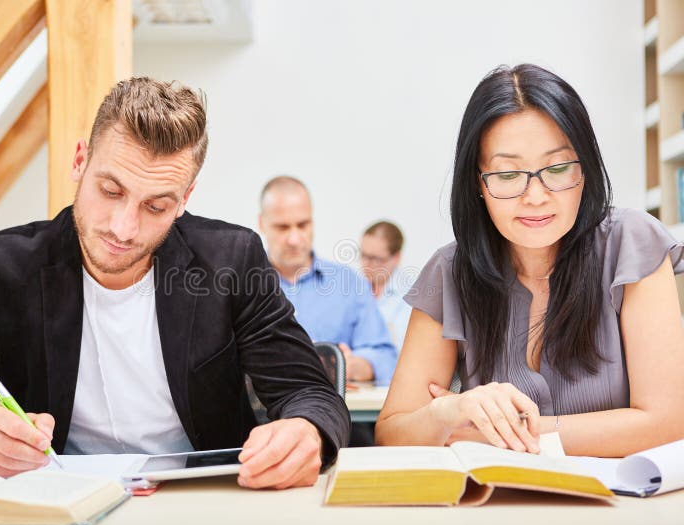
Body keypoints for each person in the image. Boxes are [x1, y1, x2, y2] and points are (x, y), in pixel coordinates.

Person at [0, 78, 350, 489]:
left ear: (184, 199)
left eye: (156, 206)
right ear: (80, 162)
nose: (124, 229)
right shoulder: (3, 268)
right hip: (53, 501)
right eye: (111, 191)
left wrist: (307, 431)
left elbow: (309, 391)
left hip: (204, 500)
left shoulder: (232, 260)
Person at [376, 64, 684, 457]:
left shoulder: (632, 243)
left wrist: (492, 433)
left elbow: (668, 423)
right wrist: (447, 413)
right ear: (478, 182)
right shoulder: (450, 272)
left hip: (622, 510)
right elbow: (393, 431)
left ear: (585, 169)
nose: (535, 196)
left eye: (557, 169)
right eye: (507, 175)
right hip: (497, 510)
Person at [257, 176, 397, 385]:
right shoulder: (242, 285)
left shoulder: (349, 284)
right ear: (262, 224)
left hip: (336, 412)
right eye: (282, 227)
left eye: (303, 225)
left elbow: (386, 359)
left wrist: (347, 365)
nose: (294, 239)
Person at [359, 221, 413, 353]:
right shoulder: (354, 288)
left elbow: (402, 350)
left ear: (396, 258)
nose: (366, 264)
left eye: (375, 258)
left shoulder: (411, 297)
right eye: (363, 255)